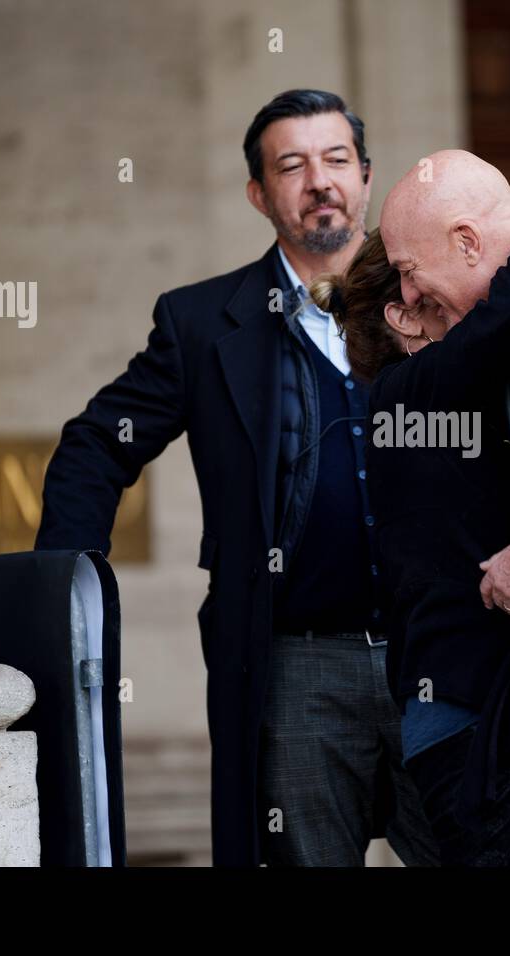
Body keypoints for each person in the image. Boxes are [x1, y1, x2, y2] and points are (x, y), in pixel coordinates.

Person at [36, 89, 436, 867]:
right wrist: (66, 591)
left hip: (439, 651)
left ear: (366, 176)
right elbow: (96, 443)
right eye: (292, 165)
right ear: (260, 194)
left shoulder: (432, 299)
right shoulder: (202, 323)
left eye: (336, 160)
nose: (319, 180)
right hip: (296, 665)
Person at [316, 157, 510, 864]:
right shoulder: (409, 394)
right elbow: (503, 314)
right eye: (417, 285)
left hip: (489, 722)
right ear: (403, 315)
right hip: (467, 728)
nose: (444, 302)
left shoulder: (442, 401)